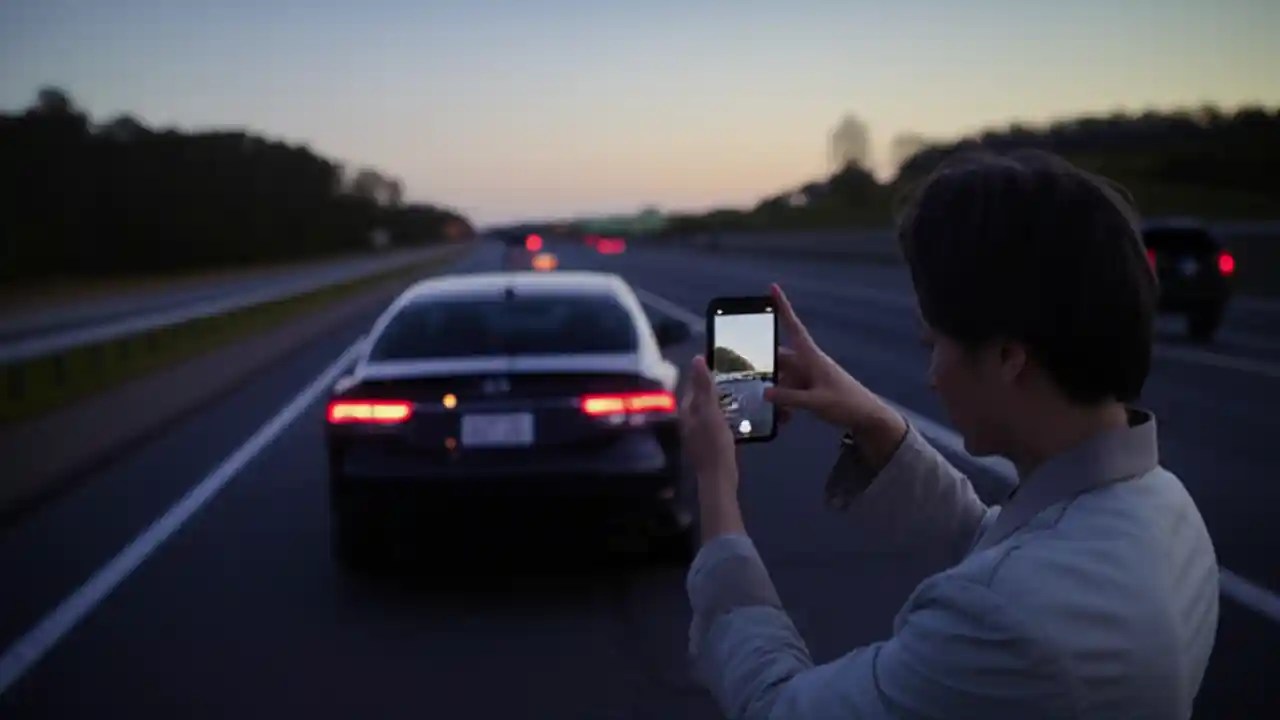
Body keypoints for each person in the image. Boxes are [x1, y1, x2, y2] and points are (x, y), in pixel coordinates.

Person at [678, 149, 1219, 719]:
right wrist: (873, 421)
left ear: (1009, 357)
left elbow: (774, 708)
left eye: (933, 344)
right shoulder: (1167, 509)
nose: (932, 377)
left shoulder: (1010, 622)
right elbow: (1000, 542)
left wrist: (716, 484)